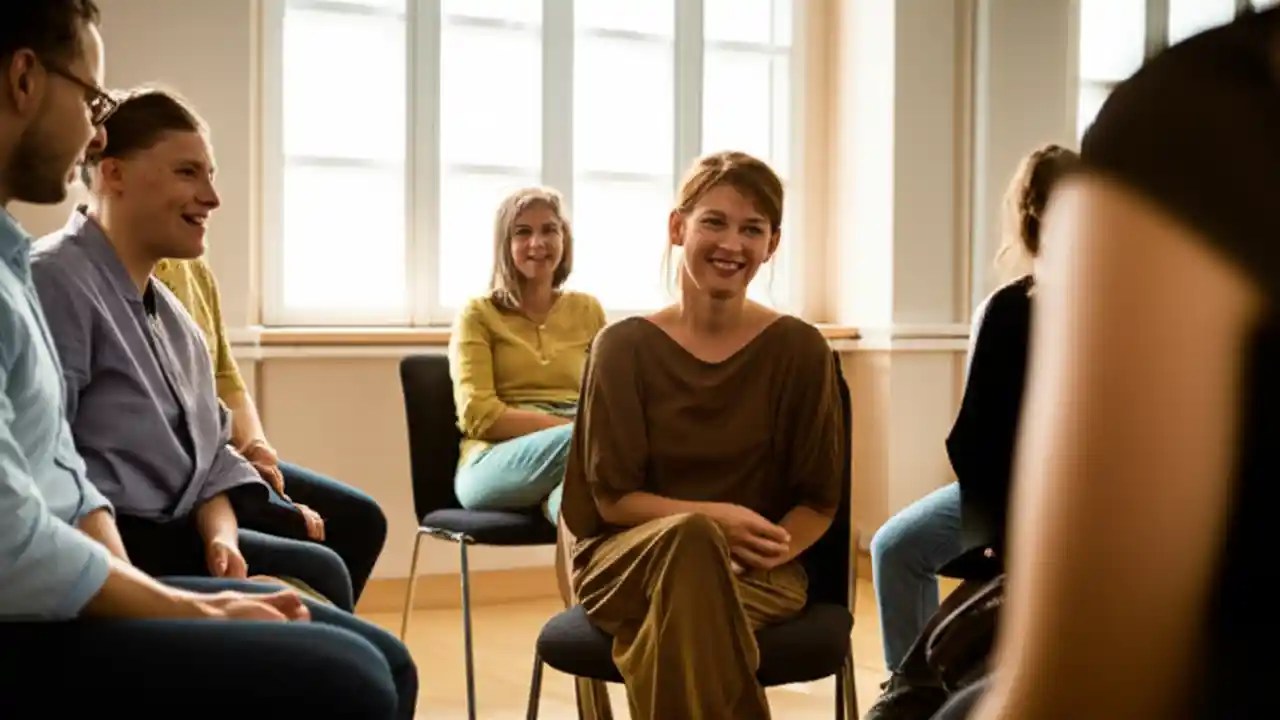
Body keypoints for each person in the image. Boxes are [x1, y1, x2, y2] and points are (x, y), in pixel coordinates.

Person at [0, 2, 416, 717]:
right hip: (48, 599)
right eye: (92, 98)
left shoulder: (133, 302)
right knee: (353, 677)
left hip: (93, 568)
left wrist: (191, 570)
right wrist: (180, 609)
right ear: (25, 79)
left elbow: (82, 478)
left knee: (384, 661)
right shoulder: (51, 277)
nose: (95, 130)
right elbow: (23, 537)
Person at [946, 7, 1280, 719]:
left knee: (903, 577)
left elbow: (1075, 696)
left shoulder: (1208, 119)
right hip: (1009, 505)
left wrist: (1002, 544)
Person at [30, 88, 355, 611]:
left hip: (181, 539)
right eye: (188, 173)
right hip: (110, 558)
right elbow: (49, 481)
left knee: (326, 572)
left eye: (210, 175)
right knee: (357, 649)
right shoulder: (54, 282)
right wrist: (158, 608)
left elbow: (208, 467)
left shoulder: (178, 322)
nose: (212, 197)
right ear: (112, 174)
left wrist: (220, 538)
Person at [558, 150, 845, 719]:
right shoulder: (622, 347)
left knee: (687, 602)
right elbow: (612, 500)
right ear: (677, 227)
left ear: (773, 245)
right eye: (713, 221)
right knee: (690, 544)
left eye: (752, 229)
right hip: (623, 563)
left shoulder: (801, 349)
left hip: (757, 572)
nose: (731, 244)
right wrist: (712, 524)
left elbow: (817, 501)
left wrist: (749, 554)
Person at [864, 144, 1078, 720]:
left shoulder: (1108, 309)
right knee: (894, 546)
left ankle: (923, 694)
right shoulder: (1006, 309)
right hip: (1002, 494)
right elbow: (975, 440)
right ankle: (911, 680)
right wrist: (993, 535)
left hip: (1072, 503)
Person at [154, 254, 387, 603]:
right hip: (185, 477)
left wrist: (257, 449)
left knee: (361, 520)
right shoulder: (105, 284)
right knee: (319, 557)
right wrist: (272, 499)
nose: (210, 201)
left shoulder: (195, 270)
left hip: (217, 461)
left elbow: (226, 379)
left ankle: (323, 640)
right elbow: (176, 431)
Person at [449, 186, 606, 525]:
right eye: (523, 232)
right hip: (494, 462)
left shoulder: (588, 309)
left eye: (550, 229)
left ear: (565, 240)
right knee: (605, 445)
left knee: (577, 503)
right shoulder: (478, 314)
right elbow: (479, 415)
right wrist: (575, 430)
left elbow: (608, 398)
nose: (538, 242)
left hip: (580, 450)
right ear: (505, 245)